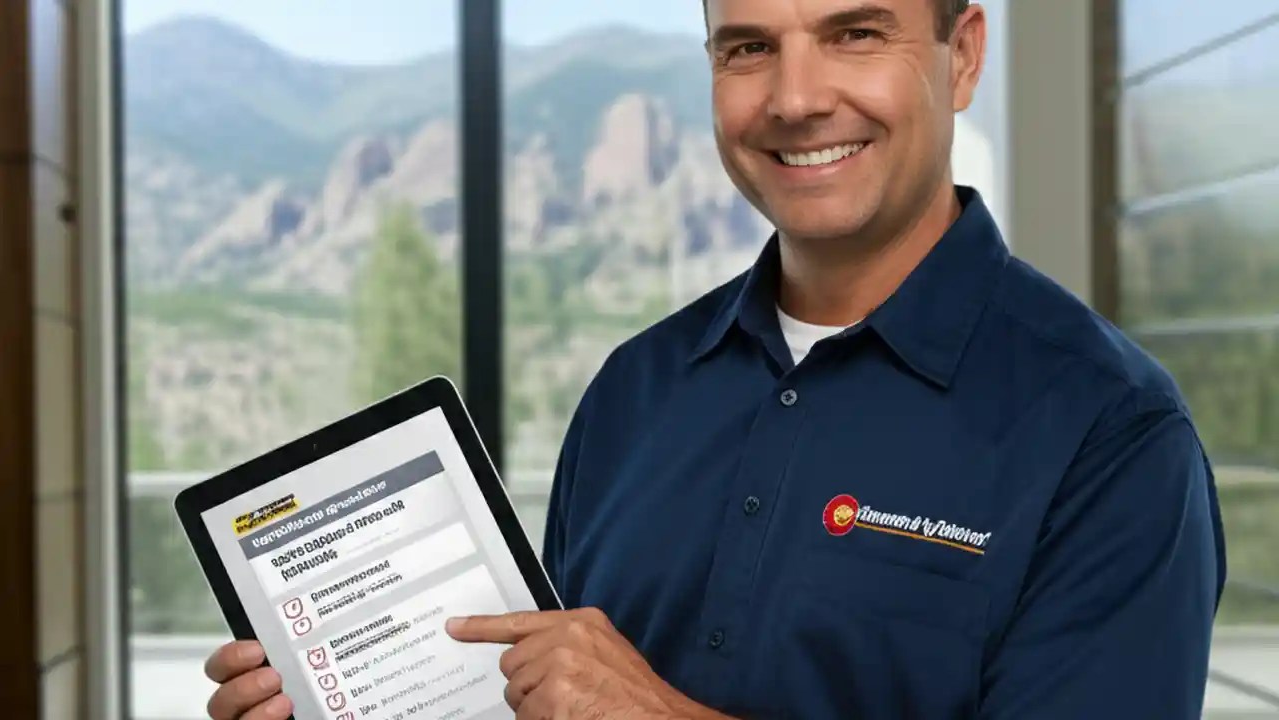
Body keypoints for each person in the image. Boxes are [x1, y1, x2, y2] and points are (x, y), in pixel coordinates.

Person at [203, 0, 1227, 718]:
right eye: (745, 48)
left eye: (852, 33)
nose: (793, 98)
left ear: (959, 55)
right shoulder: (633, 392)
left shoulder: (1108, 433)